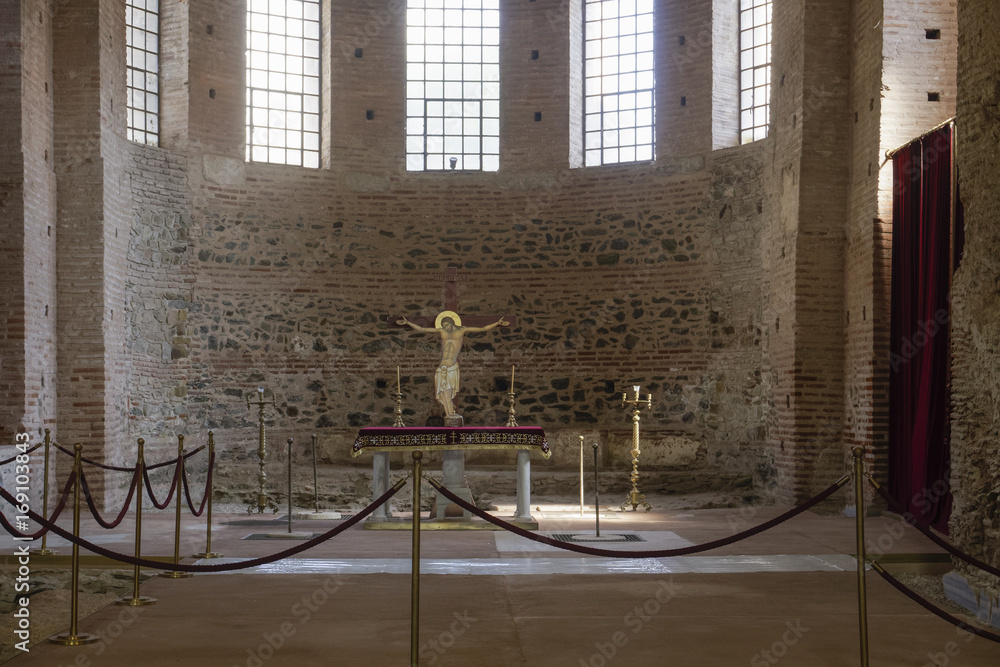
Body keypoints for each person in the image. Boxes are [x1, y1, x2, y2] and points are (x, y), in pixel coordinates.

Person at [396, 311, 508, 417]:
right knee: (444, 394)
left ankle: (451, 414)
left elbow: (481, 328)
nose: (445, 327)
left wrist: (497, 323)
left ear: (452, 323)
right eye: (443, 326)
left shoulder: (461, 330)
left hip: (452, 366)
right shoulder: (442, 331)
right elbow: (422, 329)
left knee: (448, 394)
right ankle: (449, 414)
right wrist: (408, 322)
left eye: (447, 325)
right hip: (442, 366)